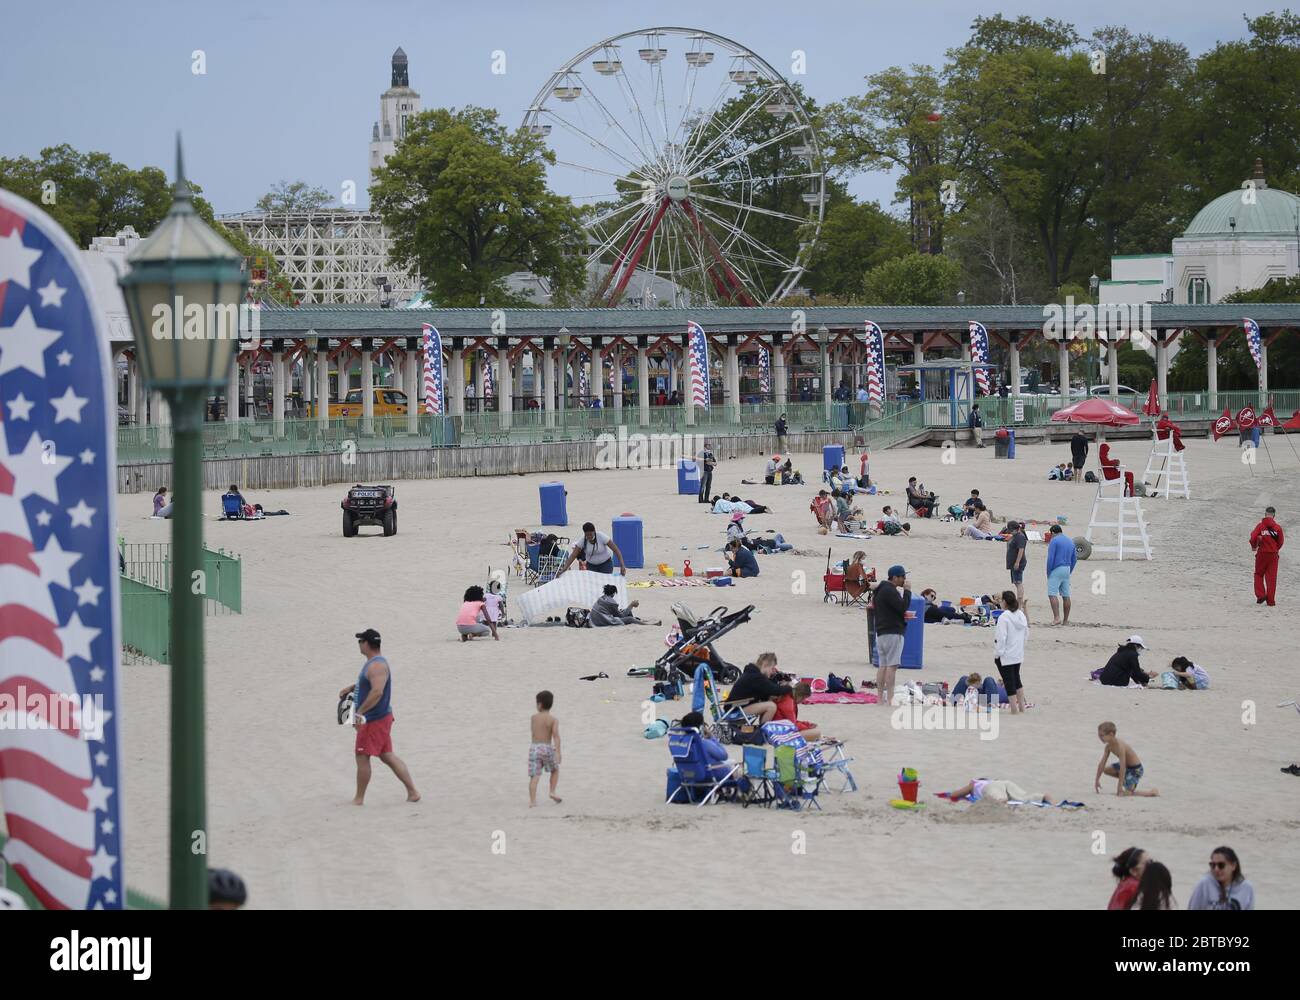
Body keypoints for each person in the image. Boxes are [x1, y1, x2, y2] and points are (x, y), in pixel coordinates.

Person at [340, 629, 419, 805]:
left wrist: (360, 712)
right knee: (387, 755)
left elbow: (377, 691)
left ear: (367, 644)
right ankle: (413, 792)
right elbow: (370, 683)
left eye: (361, 641)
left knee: (362, 756)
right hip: (378, 717)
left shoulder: (376, 665)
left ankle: (358, 799)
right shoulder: (374, 664)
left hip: (373, 719)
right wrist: (351, 688)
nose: (359, 644)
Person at [870, 564, 911, 707]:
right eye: (902, 577)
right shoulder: (890, 590)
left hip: (880, 631)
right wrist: (907, 591)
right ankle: (890, 699)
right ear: (895, 577)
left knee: (883, 665)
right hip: (893, 631)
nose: (904, 580)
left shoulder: (879, 590)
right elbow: (903, 607)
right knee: (891, 666)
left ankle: (880, 698)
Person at [1095, 721, 1159, 797]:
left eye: (1102, 735)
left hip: (1135, 770)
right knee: (1106, 770)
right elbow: (1102, 763)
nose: (1100, 738)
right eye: (1099, 735)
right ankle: (1127, 780)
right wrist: (1097, 780)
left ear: (1111, 734)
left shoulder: (1120, 746)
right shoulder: (1108, 747)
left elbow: (1123, 767)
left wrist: (1119, 788)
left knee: (1127, 793)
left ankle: (1152, 793)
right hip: (1126, 767)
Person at [724, 652, 789, 723]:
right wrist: (789, 687)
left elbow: (767, 689)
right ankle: (763, 731)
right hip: (734, 710)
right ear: (765, 665)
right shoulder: (755, 677)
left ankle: (761, 728)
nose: (772, 671)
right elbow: (775, 690)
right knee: (771, 706)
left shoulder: (753, 673)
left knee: (769, 700)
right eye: (772, 668)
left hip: (738, 706)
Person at [993, 590, 1029, 712]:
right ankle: (1022, 708)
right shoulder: (1021, 615)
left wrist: (998, 653)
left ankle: (1014, 709)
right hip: (1018, 653)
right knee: (1017, 679)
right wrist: (1021, 647)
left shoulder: (1004, 617)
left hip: (1006, 655)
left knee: (1009, 682)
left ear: (1004, 602)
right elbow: (1026, 633)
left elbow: (1001, 638)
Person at [1187, 847, 1255, 910]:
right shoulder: (1204, 884)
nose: (1216, 869)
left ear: (1233, 866)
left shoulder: (1247, 888)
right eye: (1213, 865)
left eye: (1221, 865)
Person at [529, 690, 562, 807]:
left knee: (535, 776)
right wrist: (558, 752)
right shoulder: (553, 720)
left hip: (534, 748)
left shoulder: (533, 718)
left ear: (539, 705)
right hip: (547, 748)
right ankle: (552, 792)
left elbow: (534, 732)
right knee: (555, 770)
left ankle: (532, 801)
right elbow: (556, 736)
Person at [558, 522, 627, 576]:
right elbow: (573, 556)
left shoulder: (601, 536)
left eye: (590, 534)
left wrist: (622, 565)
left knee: (605, 585)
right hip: (591, 566)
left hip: (606, 564)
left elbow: (616, 550)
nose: (589, 537)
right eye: (587, 535)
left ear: (594, 531)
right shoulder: (582, 540)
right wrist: (564, 569)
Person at [1250, 505, 1284, 606]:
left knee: (1258, 574)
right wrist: (1275, 549)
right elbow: (1281, 542)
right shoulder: (1278, 528)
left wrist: (1254, 546)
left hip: (1262, 554)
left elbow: (1253, 537)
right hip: (1273, 555)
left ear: (1265, 514)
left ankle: (1261, 595)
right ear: (1274, 516)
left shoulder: (1260, 526)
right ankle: (1271, 601)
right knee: (1271, 578)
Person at [1045, 523, 1077, 625]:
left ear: (1053, 532)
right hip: (1067, 568)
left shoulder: (1054, 541)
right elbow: (1074, 559)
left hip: (1057, 568)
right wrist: (1070, 570)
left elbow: (1050, 558)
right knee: (1066, 595)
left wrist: (1048, 572)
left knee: (1052, 593)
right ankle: (1066, 620)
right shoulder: (1070, 541)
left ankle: (1057, 617)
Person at [938, 778, 1052, 805]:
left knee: (997, 797)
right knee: (1024, 797)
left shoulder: (974, 784)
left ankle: (1003, 800)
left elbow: (955, 794)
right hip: (1004, 782)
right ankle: (1043, 797)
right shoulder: (991, 781)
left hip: (992, 787)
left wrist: (953, 793)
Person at [589, 583, 659, 626]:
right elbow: (621, 616)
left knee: (627, 612)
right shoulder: (611, 602)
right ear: (613, 593)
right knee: (630, 618)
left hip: (594, 619)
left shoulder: (601, 598)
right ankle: (648, 624)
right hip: (603, 621)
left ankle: (639, 621)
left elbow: (613, 612)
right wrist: (631, 605)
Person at [1005, 520, 1028, 605]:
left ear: (1017, 529)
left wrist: (1017, 562)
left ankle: (1020, 601)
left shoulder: (1020, 537)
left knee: (1018, 582)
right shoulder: (1015, 536)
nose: (1010, 532)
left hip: (1018, 563)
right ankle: (1020, 601)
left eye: (1011, 530)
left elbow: (1021, 550)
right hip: (1013, 563)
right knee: (1016, 582)